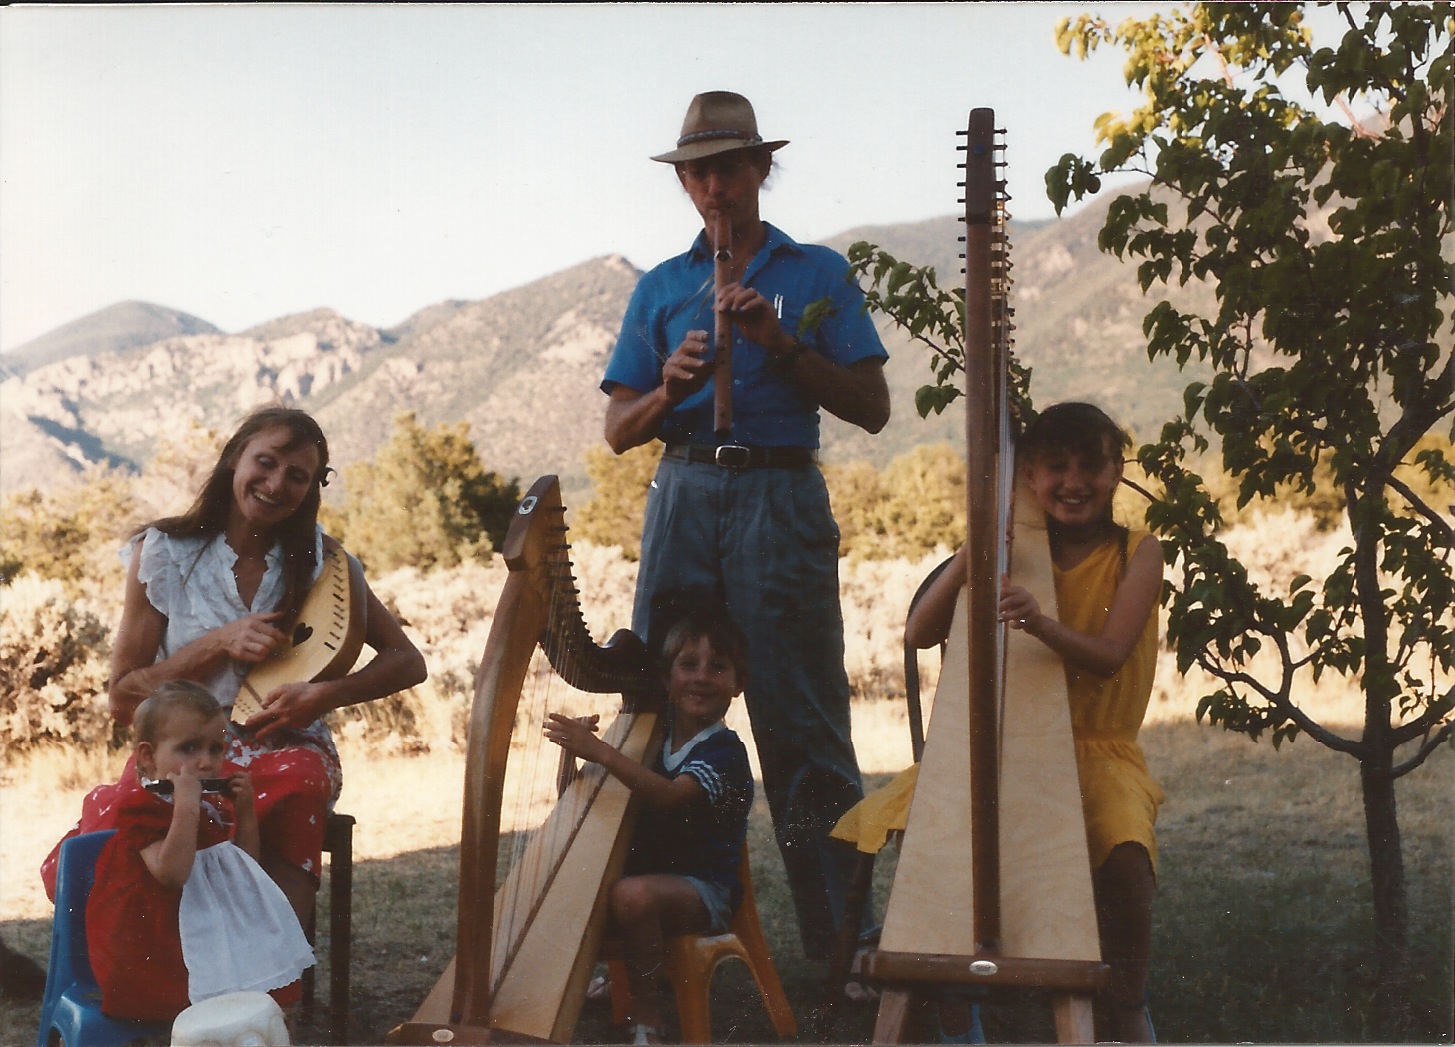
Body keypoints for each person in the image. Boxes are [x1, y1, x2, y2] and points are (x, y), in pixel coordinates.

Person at [600, 89, 891, 962]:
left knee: (803, 726)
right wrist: (669, 390)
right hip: (684, 492)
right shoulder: (661, 286)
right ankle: (649, 936)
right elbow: (618, 430)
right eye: (696, 172)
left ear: (762, 167)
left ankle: (841, 950)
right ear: (683, 183)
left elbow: (872, 406)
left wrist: (779, 345)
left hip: (779, 493)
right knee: (657, 709)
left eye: (728, 167)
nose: (713, 186)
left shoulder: (818, 274)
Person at [42, 405, 428, 928]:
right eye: (265, 462)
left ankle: (277, 969)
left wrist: (324, 696)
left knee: (298, 780)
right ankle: (161, 964)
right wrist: (217, 643)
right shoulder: (164, 553)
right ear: (234, 459)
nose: (276, 483)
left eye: (297, 475)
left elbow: (408, 661)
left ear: (312, 488)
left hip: (285, 745)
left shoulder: (325, 564)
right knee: (152, 800)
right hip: (184, 745)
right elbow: (122, 699)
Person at [904, 401, 1164, 1043]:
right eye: (1056, 467)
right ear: (1027, 477)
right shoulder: (1005, 546)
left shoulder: (1139, 551)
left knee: (1126, 854)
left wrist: (1039, 623)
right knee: (942, 840)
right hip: (999, 745)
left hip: (1097, 750)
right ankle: (957, 1008)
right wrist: (975, 547)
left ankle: (1128, 1001)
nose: (1074, 482)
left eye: (1090, 467)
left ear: (1118, 470)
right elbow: (918, 633)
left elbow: (1109, 657)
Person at [545, 608, 754, 1046]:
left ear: (739, 684)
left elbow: (670, 796)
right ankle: (609, 984)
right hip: (647, 884)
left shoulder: (724, 751)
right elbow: (575, 799)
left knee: (632, 895)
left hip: (704, 891)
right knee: (586, 888)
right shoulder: (651, 740)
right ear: (665, 679)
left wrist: (600, 752)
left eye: (718, 667)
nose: (701, 677)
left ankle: (648, 1016)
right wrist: (572, 753)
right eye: (688, 664)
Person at [87, 681, 316, 1021]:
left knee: (267, 993)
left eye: (215, 749)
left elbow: (243, 866)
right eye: (189, 748)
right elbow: (172, 873)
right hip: (161, 943)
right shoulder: (142, 808)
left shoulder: (207, 806)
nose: (206, 763)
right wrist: (187, 807)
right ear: (148, 757)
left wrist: (245, 812)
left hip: (207, 929)